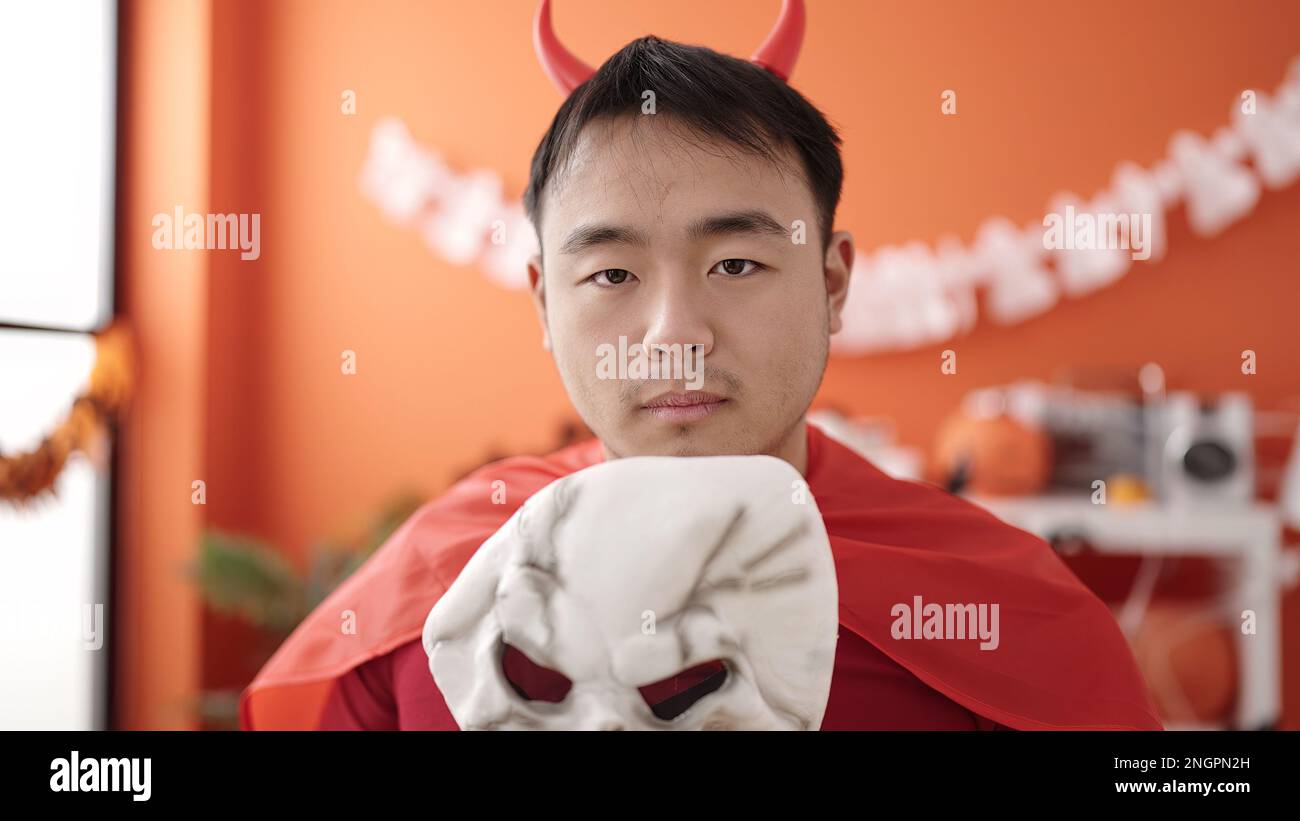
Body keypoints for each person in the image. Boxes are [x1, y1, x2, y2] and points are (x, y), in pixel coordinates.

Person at [240, 0, 1161, 731]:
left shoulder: (988, 602)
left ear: (833, 282)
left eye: (735, 264)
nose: (673, 333)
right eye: (610, 273)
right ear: (544, 303)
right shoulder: (438, 583)